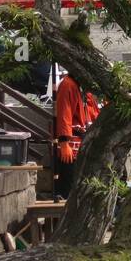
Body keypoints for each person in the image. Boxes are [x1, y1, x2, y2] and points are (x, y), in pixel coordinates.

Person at [54, 70, 98, 198]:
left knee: (80, 184)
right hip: (69, 144)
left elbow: (93, 114)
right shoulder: (68, 84)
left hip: (81, 143)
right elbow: (64, 114)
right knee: (69, 184)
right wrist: (63, 143)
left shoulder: (81, 87)